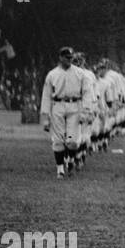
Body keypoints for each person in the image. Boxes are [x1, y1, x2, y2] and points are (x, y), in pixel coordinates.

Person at [40, 46, 88, 178]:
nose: (69, 60)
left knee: (72, 141)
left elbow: (87, 93)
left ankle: (71, 161)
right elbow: (46, 95)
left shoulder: (80, 73)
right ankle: (60, 168)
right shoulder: (52, 74)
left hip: (75, 105)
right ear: (61, 58)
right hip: (58, 105)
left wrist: (86, 111)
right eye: (67, 58)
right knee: (58, 140)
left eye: (71, 58)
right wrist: (45, 116)